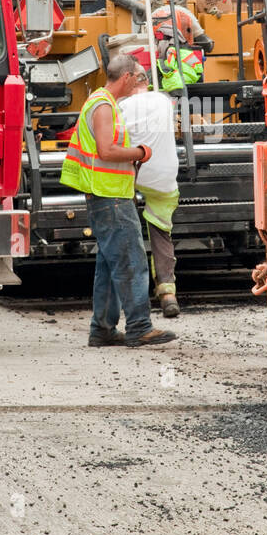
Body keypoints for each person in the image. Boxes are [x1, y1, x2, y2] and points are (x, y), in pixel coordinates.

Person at [60, 53, 177, 348]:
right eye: (138, 77)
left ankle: (102, 329)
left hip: (109, 195)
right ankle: (139, 327)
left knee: (110, 265)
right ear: (126, 77)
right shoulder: (103, 107)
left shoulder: (104, 103)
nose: (139, 82)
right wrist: (141, 152)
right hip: (110, 197)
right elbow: (107, 151)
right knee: (131, 262)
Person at [119, 71, 181, 317]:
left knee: (128, 230)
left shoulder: (122, 106)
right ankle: (168, 293)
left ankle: (134, 298)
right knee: (160, 231)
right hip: (165, 178)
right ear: (147, 83)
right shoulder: (164, 101)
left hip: (134, 174)